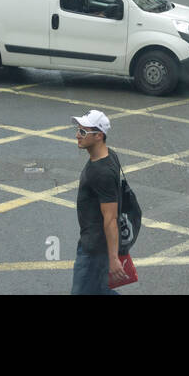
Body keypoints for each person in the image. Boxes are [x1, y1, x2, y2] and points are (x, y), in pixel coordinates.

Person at [71, 109, 127, 295]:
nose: (77, 135)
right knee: (101, 290)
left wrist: (113, 259)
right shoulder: (108, 155)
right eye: (78, 130)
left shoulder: (101, 172)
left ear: (99, 136)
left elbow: (110, 218)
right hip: (94, 244)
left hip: (94, 249)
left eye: (83, 132)